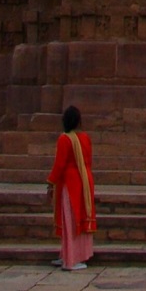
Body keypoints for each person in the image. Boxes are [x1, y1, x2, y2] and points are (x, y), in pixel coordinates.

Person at [46, 105, 96, 270]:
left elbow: (59, 165)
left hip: (71, 183)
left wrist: (50, 182)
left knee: (71, 220)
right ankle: (70, 254)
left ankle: (71, 259)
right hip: (85, 181)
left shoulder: (65, 139)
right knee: (78, 219)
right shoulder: (85, 138)